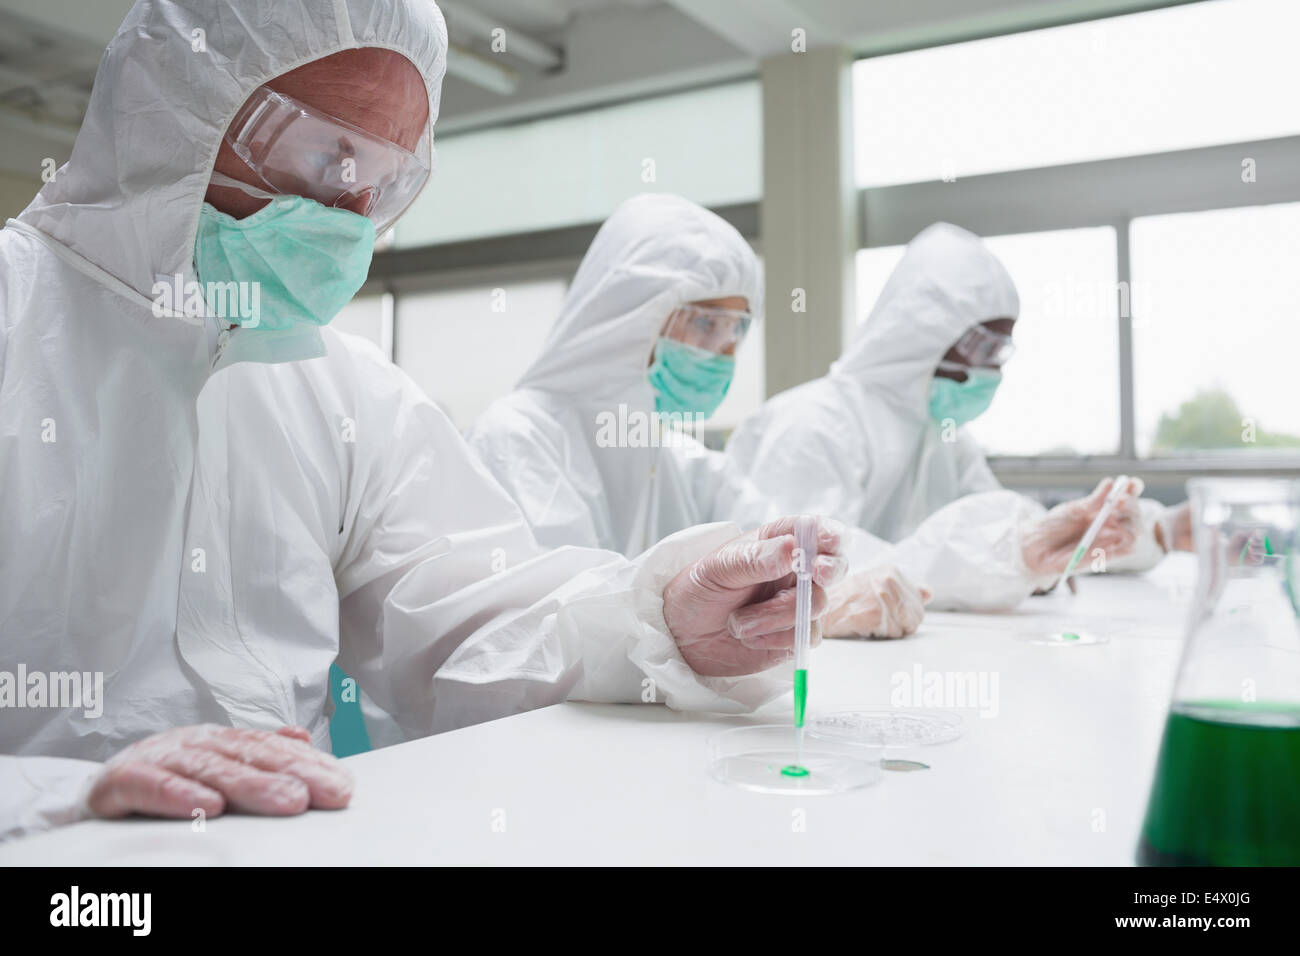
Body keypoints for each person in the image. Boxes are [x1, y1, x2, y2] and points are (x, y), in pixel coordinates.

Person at [0, 0, 846, 840]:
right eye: (320, 154)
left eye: (384, 173)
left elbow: (465, 617)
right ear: (173, 104)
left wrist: (663, 624)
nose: (351, 209)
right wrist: (57, 794)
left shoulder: (344, 387)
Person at [468, 194, 929, 640]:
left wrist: (852, 577)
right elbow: (564, 623)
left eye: (736, 332)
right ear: (628, 315)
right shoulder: (520, 439)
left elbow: (775, 531)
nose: (723, 355)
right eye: (706, 324)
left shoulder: (676, 458)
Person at [727, 222, 1181, 611]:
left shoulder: (943, 436)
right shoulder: (815, 423)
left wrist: (1138, 533)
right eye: (984, 346)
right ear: (922, 333)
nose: (995, 367)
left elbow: (1004, 526)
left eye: (1001, 349)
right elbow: (808, 577)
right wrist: (1012, 561)